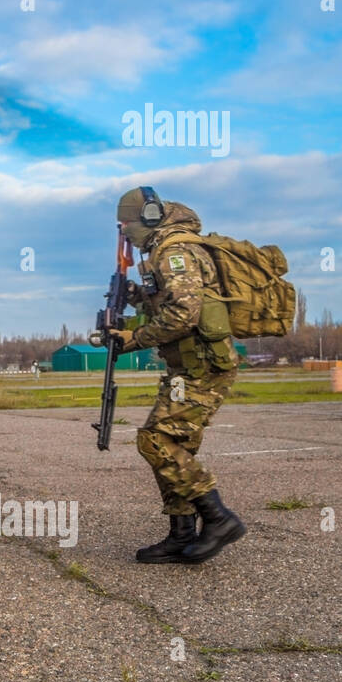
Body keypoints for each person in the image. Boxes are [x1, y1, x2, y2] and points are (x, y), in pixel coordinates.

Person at [106, 187, 245, 564]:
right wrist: (136, 295)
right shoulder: (163, 251)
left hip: (202, 368)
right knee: (174, 446)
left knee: (156, 442)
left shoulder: (174, 251)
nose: (127, 235)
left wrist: (133, 338)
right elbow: (169, 303)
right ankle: (181, 534)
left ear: (148, 218)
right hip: (186, 367)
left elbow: (184, 315)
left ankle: (218, 519)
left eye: (127, 226)